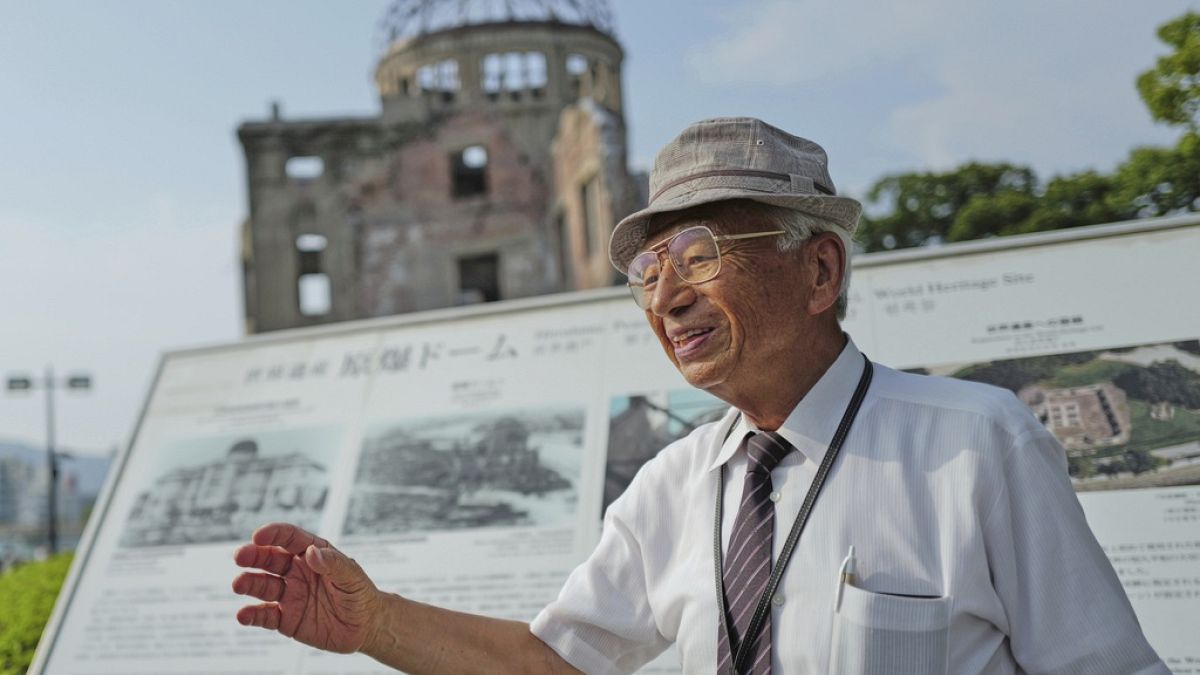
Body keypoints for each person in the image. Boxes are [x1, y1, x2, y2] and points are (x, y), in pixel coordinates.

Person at [233, 117, 1166, 674]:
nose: (667, 296)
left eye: (701, 256)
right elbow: (554, 662)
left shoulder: (977, 446)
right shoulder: (674, 485)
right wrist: (375, 621)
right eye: (648, 269)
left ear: (819, 270)